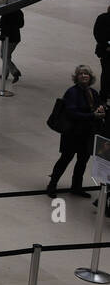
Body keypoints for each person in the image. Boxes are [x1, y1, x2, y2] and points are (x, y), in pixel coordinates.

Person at [46, 65, 105, 198]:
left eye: (86, 74)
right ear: (76, 77)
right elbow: (72, 113)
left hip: (86, 134)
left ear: (90, 77)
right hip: (72, 134)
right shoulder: (72, 92)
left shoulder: (93, 92)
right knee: (65, 160)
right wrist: (93, 116)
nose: (84, 76)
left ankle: (76, 187)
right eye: (81, 74)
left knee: (82, 161)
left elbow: (97, 105)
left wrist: (101, 109)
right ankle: (52, 185)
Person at [0, 8, 23, 82]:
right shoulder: (19, 12)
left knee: (4, 56)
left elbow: (0, 24)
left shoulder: (6, 12)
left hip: (7, 38)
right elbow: (21, 24)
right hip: (16, 37)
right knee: (7, 56)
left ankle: (15, 71)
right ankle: (5, 74)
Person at [94, 4, 110, 95]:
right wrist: (106, 46)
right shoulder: (103, 18)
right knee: (106, 72)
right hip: (106, 52)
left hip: (105, 50)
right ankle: (104, 93)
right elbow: (98, 34)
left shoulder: (102, 18)